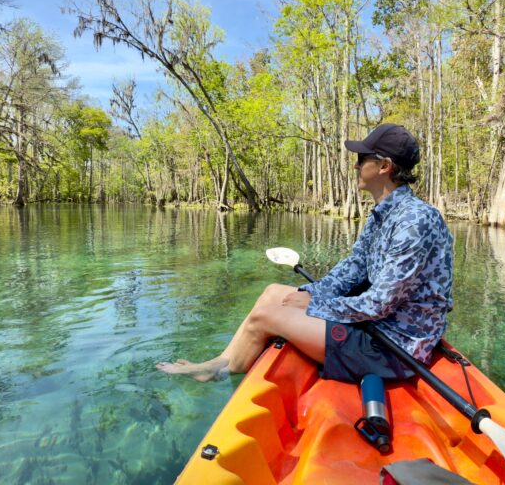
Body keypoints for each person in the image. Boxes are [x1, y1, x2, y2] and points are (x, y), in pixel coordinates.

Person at [156, 123, 454, 383]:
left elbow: (379, 304)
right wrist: (311, 292)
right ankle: (220, 362)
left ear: (385, 166)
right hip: (376, 324)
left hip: (393, 346)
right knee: (273, 293)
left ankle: (220, 374)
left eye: (362, 158)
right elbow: (353, 267)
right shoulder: (383, 213)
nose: (355, 165)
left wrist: (314, 306)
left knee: (263, 317)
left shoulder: (415, 220)